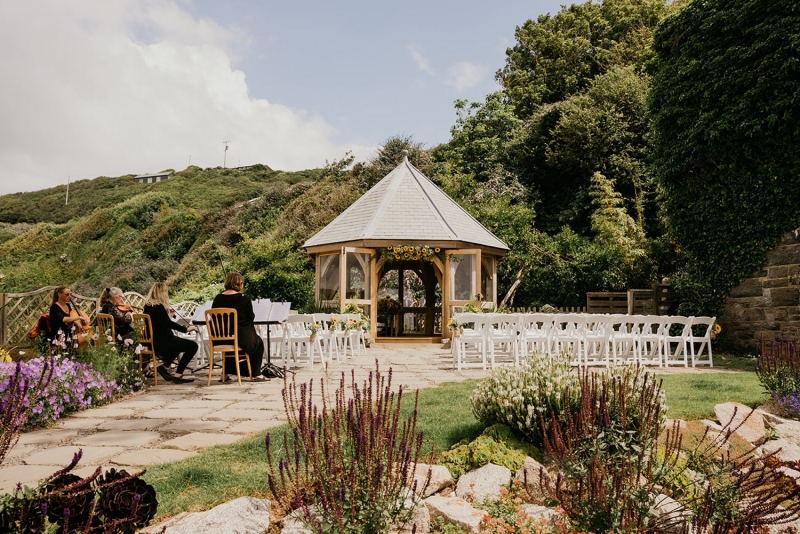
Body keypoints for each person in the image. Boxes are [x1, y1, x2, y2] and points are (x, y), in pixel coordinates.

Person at [211, 272, 267, 381]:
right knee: (258, 342)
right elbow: (250, 316)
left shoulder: (217, 298)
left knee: (232, 343)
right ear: (239, 284)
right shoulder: (244, 298)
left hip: (220, 339)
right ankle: (256, 374)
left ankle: (225, 374)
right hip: (240, 337)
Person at [143, 281, 198, 383]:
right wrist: (186, 329)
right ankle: (178, 374)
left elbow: (158, 322)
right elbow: (169, 324)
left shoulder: (147, 306)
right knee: (192, 346)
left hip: (153, 341)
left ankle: (164, 366)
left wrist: (167, 316)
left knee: (179, 345)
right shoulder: (158, 306)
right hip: (163, 341)